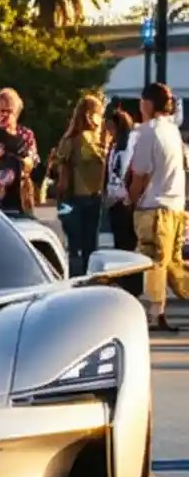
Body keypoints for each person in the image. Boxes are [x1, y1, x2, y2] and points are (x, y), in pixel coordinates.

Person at [127, 82, 189, 332]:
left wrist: (129, 199)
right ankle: (159, 310)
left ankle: (156, 314)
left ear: (148, 104)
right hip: (175, 206)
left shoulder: (147, 132)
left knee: (153, 262)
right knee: (173, 263)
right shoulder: (173, 130)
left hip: (154, 208)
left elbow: (140, 174)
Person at [54, 94, 108, 276]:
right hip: (91, 197)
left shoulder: (68, 139)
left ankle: (76, 282)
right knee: (90, 247)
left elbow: (58, 168)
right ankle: (89, 281)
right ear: (91, 115)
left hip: (69, 198)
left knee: (74, 246)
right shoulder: (94, 140)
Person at [0, 87, 39, 215]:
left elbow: (32, 162)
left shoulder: (25, 134)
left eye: (9, 111)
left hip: (19, 198)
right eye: (1, 111)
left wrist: (11, 141)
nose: (4, 115)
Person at [103, 108, 141, 298]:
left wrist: (129, 195)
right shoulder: (114, 144)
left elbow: (132, 169)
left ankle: (133, 286)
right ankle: (124, 283)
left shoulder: (132, 142)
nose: (107, 128)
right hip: (114, 200)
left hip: (127, 200)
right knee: (119, 244)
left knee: (129, 244)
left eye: (110, 124)